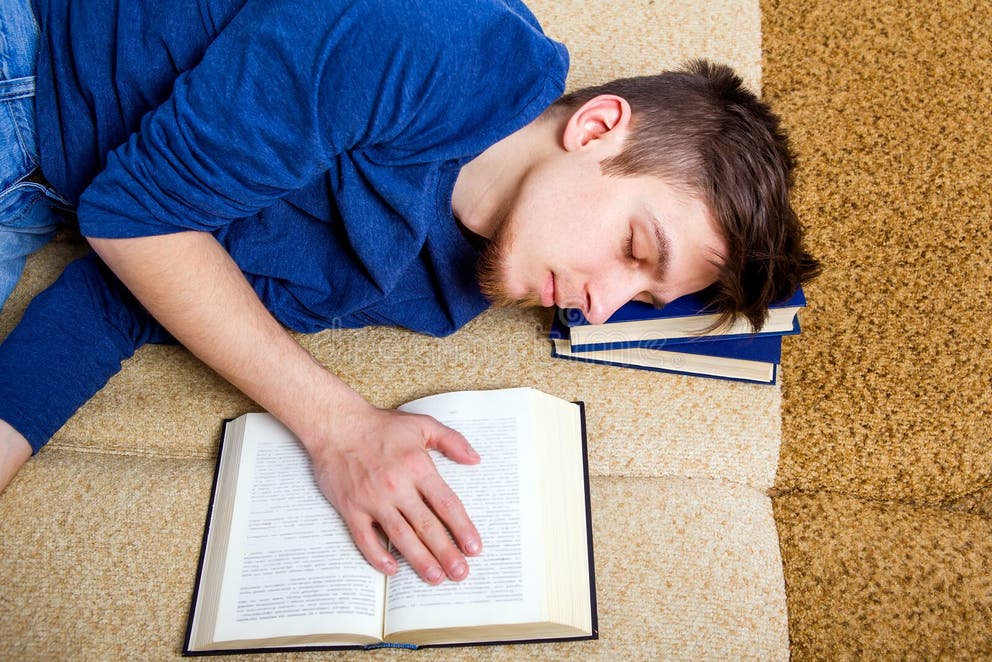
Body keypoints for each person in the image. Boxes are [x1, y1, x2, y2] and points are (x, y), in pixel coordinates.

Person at [0, 0, 819, 586]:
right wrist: (338, 425)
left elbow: (127, 295)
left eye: (638, 301)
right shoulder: (430, 38)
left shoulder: (448, 292)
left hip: (32, 205)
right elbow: (135, 218)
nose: (597, 307)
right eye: (635, 250)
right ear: (598, 128)